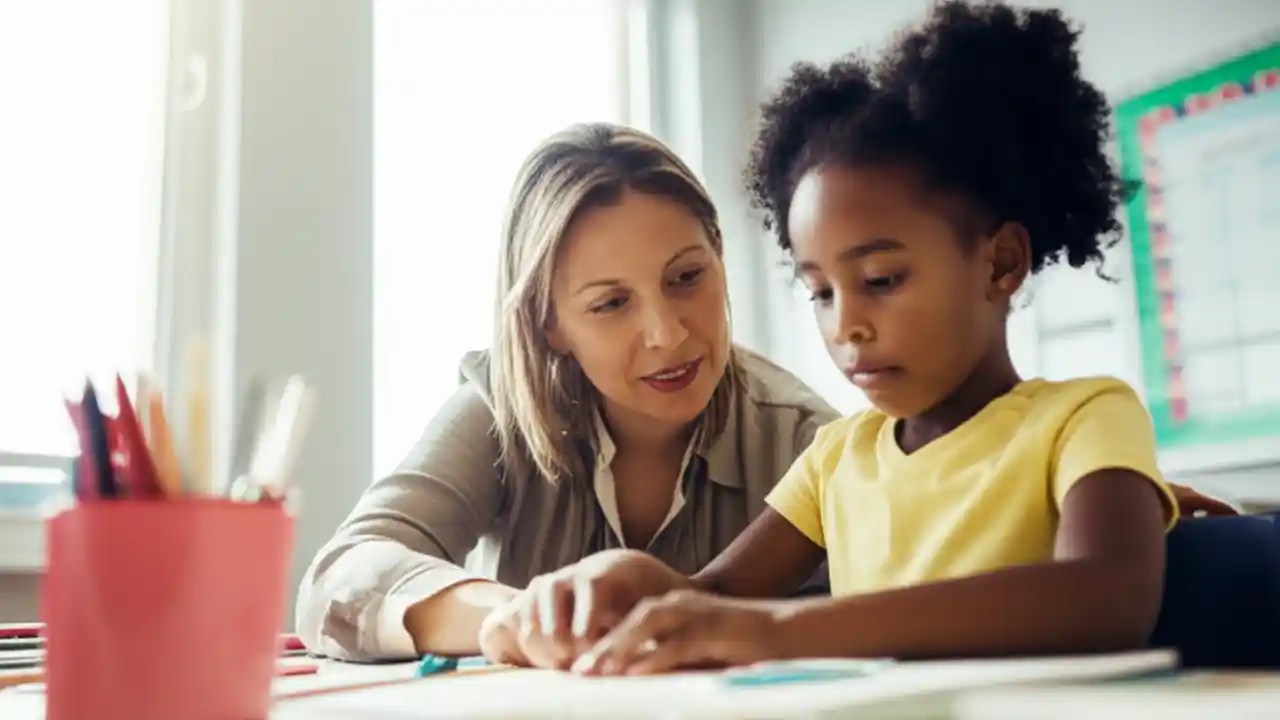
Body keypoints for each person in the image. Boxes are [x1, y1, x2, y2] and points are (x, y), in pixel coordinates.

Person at [489, 1, 1221, 675]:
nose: (846, 325)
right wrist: (638, 583)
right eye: (820, 291)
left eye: (881, 279)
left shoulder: (1086, 417)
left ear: (999, 262)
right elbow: (714, 594)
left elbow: (1103, 600)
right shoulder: (837, 456)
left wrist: (779, 632)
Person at [294, 123, 840, 664]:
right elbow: (339, 579)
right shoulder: (499, 412)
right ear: (547, 322)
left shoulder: (809, 442)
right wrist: (515, 617)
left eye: (686, 277)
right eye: (610, 304)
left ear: (719, 256)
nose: (667, 334)